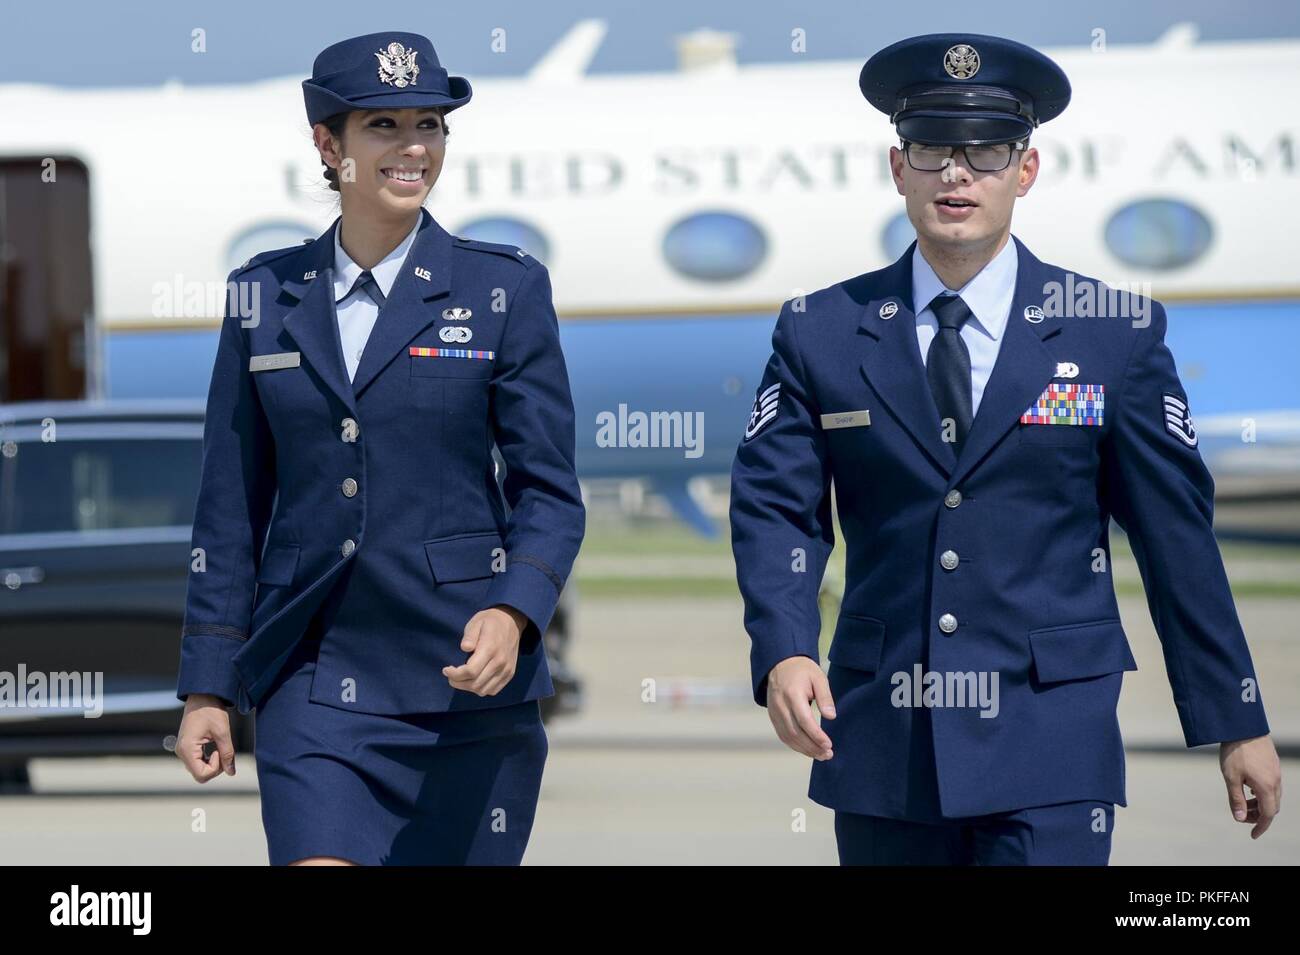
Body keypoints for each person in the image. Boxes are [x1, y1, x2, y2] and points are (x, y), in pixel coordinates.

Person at [729, 32, 1281, 865]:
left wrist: (1234, 719)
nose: (957, 173)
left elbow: (1178, 541)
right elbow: (776, 512)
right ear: (897, 167)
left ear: (1025, 171)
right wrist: (785, 647)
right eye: (931, 149)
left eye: (985, 151)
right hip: (885, 746)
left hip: (1050, 748)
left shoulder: (1111, 334)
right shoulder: (822, 332)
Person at [173, 31, 585, 865]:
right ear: (329, 145)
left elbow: (549, 491)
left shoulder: (503, 289)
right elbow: (229, 504)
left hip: (467, 678)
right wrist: (208, 684)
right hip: (315, 676)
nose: (413, 147)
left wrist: (515, 611)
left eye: (429, 125)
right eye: (384, 125)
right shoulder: (262, 294)